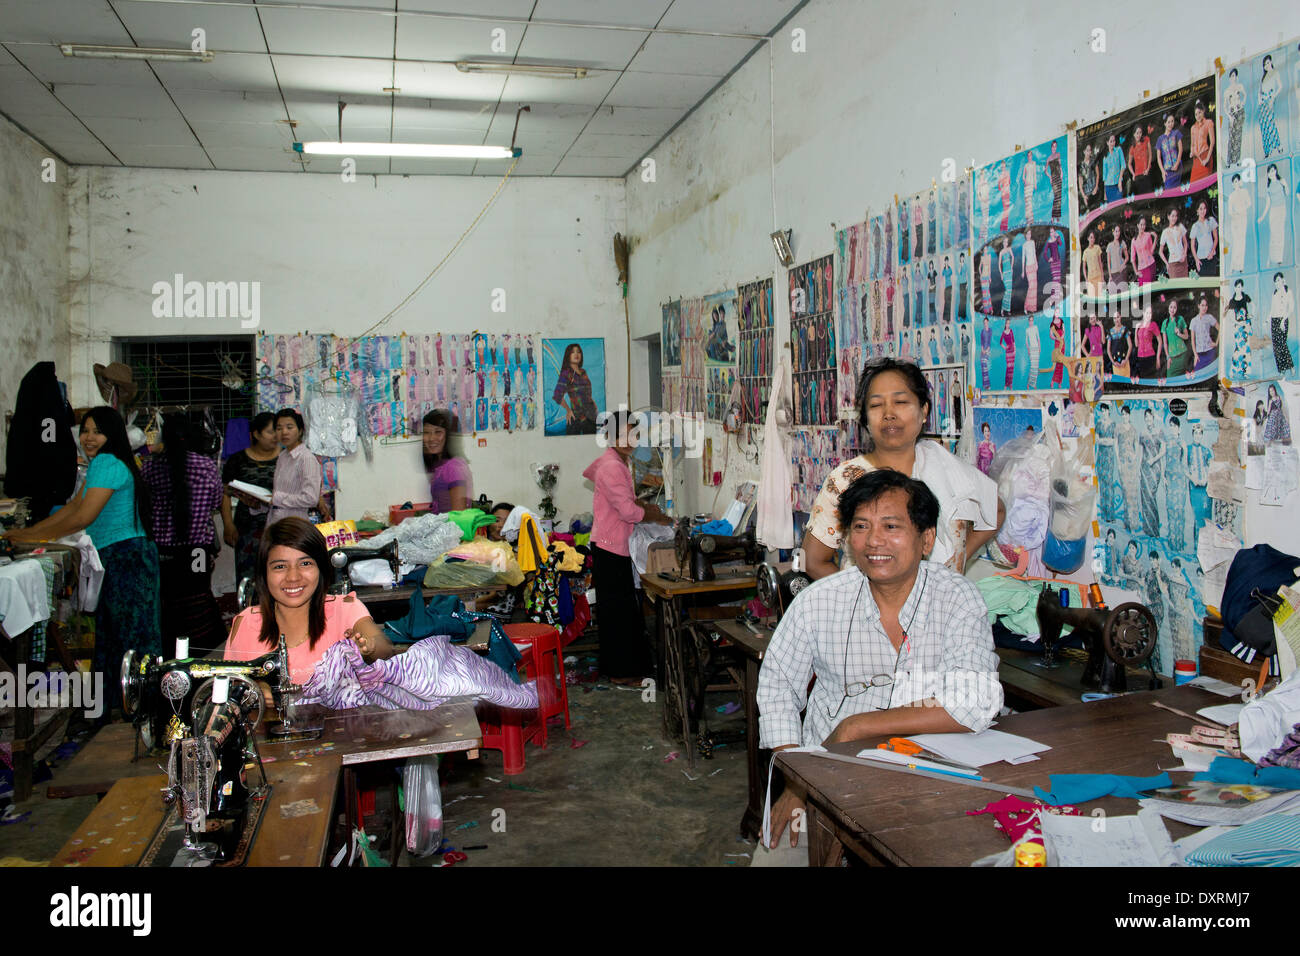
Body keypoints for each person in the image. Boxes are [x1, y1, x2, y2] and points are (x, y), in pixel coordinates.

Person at [758, 470, 1002, 855]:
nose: (874, 541)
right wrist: (798, 781)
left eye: (891, 526)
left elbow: (973, 700)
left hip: (926, 776)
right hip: (826, 774)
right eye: (861, 526)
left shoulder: (957, 598)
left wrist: (857, 727)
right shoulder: (819, 601)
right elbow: (777, 689)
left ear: (927, 539)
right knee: (783, 854)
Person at [3, 407, 160, 716]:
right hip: (121, 555)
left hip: (125, 556)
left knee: (128, 637)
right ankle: (120, 708)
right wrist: (27, 533)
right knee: (115, 634)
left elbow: (83, 517)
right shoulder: (104, 464)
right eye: (85, 430)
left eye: (96, 431)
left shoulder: (106, 461)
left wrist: (33, 539)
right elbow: (72, 508)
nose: (88, 437)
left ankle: (136, 709)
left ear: (111, 435)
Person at [800, 359, 1003, 579]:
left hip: (938, 609)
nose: (889, 413)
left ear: (924, 411)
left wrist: (957, 558)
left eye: (901, 402)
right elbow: (813, 561)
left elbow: (996, 510)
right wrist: (861, 600)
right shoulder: (846, 480)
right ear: (866, 418)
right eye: (876, 405)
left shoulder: (947, 469)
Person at [225, 517, 396, 685]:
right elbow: (229, 692)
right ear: (264, 573)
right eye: (280, 566)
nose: (293, 577)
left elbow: (384, 648)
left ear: (321, 568)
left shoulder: (345, 610)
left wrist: (370, 648)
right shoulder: (246, 624)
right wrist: (255, 693)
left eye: (305, 563)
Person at [583, 411, 672, 685]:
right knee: (618, 612)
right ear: (610, 437)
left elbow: (628, 503)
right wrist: (654, 516)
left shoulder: (621, 461)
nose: (629, 439)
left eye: (633, 433)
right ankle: (622, 673)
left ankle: (622, 669)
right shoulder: (612, 466)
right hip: (610, 548)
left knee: (620, 610)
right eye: (622, 434)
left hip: (614, 545)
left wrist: (647, 508)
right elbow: (627, 511)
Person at [142, 414, 224, 657]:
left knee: (168, 603)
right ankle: (199, 654)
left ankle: (169, 655)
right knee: (197, 599)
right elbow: (216, 501)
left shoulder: (150, 466)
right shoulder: (206, 465)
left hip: (164, 552)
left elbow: (144, 503)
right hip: (197, 551)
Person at [222, 411, 279, 588]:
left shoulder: (286, 458)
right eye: (271, 432)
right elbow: (225, 493)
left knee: (275, 575)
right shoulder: (237, 460)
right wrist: (228, 524)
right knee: (248, 576)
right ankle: (247, 613)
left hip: (277, 526)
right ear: (256, 434)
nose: (276, 436)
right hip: (247, 527)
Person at [267, 408, 321, 525]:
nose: (284, 432)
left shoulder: (306, 458)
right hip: (276, 521)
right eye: (279, 428)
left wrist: (277, 498)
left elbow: (311, 499)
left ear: (300, 430)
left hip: (294, 525)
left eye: (289, 427)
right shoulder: (282, 456)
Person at [422, 408, 472, 513]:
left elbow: (458, 516)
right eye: (426, 432)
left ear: (449, 435)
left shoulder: (454, 467)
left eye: (438, 432)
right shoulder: (440, 466)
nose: (431, 438)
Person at [552, 343, 598, 435]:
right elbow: (557, 395)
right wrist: (568, 410)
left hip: (592, 417)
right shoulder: (566, 373)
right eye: (573, 352)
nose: (576, 354)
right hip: (576, 418)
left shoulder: (583, 372)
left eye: (579, 352)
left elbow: (587, 393)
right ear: (568, 355)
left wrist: (595, 407)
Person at [1267, 272, 1295, 374]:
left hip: (1283, 320)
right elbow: (1272, 309)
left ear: (1283, 280)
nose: (1277, 283)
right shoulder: (1274, 293)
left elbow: (1291, 308)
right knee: (1276, 347)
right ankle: (1282, 369)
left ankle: (1291, 366)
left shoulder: (1288, 291)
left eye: (1279, 280)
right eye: (1275, 281)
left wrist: (1283, 320)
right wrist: (1267, 320)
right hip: (1274, 320)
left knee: (1282, 344)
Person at [1223, 68, 1247, 166]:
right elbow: (1225, 106)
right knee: (1231, 137)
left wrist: (1242, 103)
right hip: (1232, 114)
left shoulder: (1240, 86)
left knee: (1238, 136)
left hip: (1240, 112)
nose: (1232, 77)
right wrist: (1229, 116)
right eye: (1231, 76)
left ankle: (1237, 160)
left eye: (1234, 75)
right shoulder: (1227, 91)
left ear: (1236, 77)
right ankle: (1229, 161)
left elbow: (1245, 95)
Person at [1162, 299, 1191, 378]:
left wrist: (1179, 333)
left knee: (1183, 381)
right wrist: (1168, 357)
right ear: (1168, 308)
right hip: (1172, 358)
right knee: (1170, 379)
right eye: (1171, 307)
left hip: (1183, 355)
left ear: (1177, 309)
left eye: (1174, 307)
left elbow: (1186, 336)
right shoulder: (1165, 323)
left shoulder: (1180, 319)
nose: (1172, 309)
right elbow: (1165, 343)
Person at [1189, 200, 1218, 275]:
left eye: (1204, 208)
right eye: (1200, 209)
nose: (1203, 211)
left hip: (1212, 257)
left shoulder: (1211, 220)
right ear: (1197, 211)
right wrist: (1196, 260)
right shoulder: (1195, 226)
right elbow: (1192, 246)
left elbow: (1216, 238)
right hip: (1201, 259)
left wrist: (1212, 252)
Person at [1189, 296, 1219, 371]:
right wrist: (1195, 355)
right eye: (1202, 305)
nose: (1204, 308)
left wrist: (1216, 343)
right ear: (1198, 306)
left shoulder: (1209, 317)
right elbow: (1192, 340)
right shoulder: (1193, 321)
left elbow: (1221, 329)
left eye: (1206, 305)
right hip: (1199, 355)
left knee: (1210, 377)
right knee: (1198, 376)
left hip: (1210, 353)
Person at [1159, 207, 1189, 279]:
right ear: (1168, 216)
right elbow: (1160, 251)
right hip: (1173, 264)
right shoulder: (1165, 232)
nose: (1174, 218)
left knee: (1185, 285)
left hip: (1183, 262)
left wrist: (1184, 254)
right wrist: (1167, 263)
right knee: (1176, 288)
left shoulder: (1180, 226)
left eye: (1176, 216)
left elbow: (1185, 243)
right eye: (1172, 216)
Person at [1156, 112, 1183, 190]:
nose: (1171, 124)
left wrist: (1177, 164)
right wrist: (1163, 171)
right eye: (1169, 122)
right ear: (1165, 123)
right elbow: (1158, 158)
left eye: (1172, 121)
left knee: (1178, 190)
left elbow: (1180, 149)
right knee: (1169, 191)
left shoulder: (1176, 133)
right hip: (1167, 171)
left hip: (1177, 168)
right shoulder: (1160, 139)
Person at [1189, 100, 1215, 182]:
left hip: (1205, 156)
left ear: (1203, 111)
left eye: (1199, 112)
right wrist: (1191, 152)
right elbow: (1192, 144)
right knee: (1193, 184)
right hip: (1196, 160)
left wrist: (1207, 159)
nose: (1198, 116)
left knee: (1206, 183)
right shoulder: (1193, 128)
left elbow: (1212, 142)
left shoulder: (1208, 123)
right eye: (1196, 114)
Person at [1128, 123, 1153, 195]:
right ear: (1134, 134)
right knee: (1142, 197)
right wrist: (1133, 174)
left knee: (1149, 194)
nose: (1139, 135)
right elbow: (1129, 164)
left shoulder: (1146, 140)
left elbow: (1150, 155)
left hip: (1146, 172)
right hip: (1138, 176)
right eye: (1137, 133)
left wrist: (1148, 169)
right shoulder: (1132, 147)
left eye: (1140, 133)